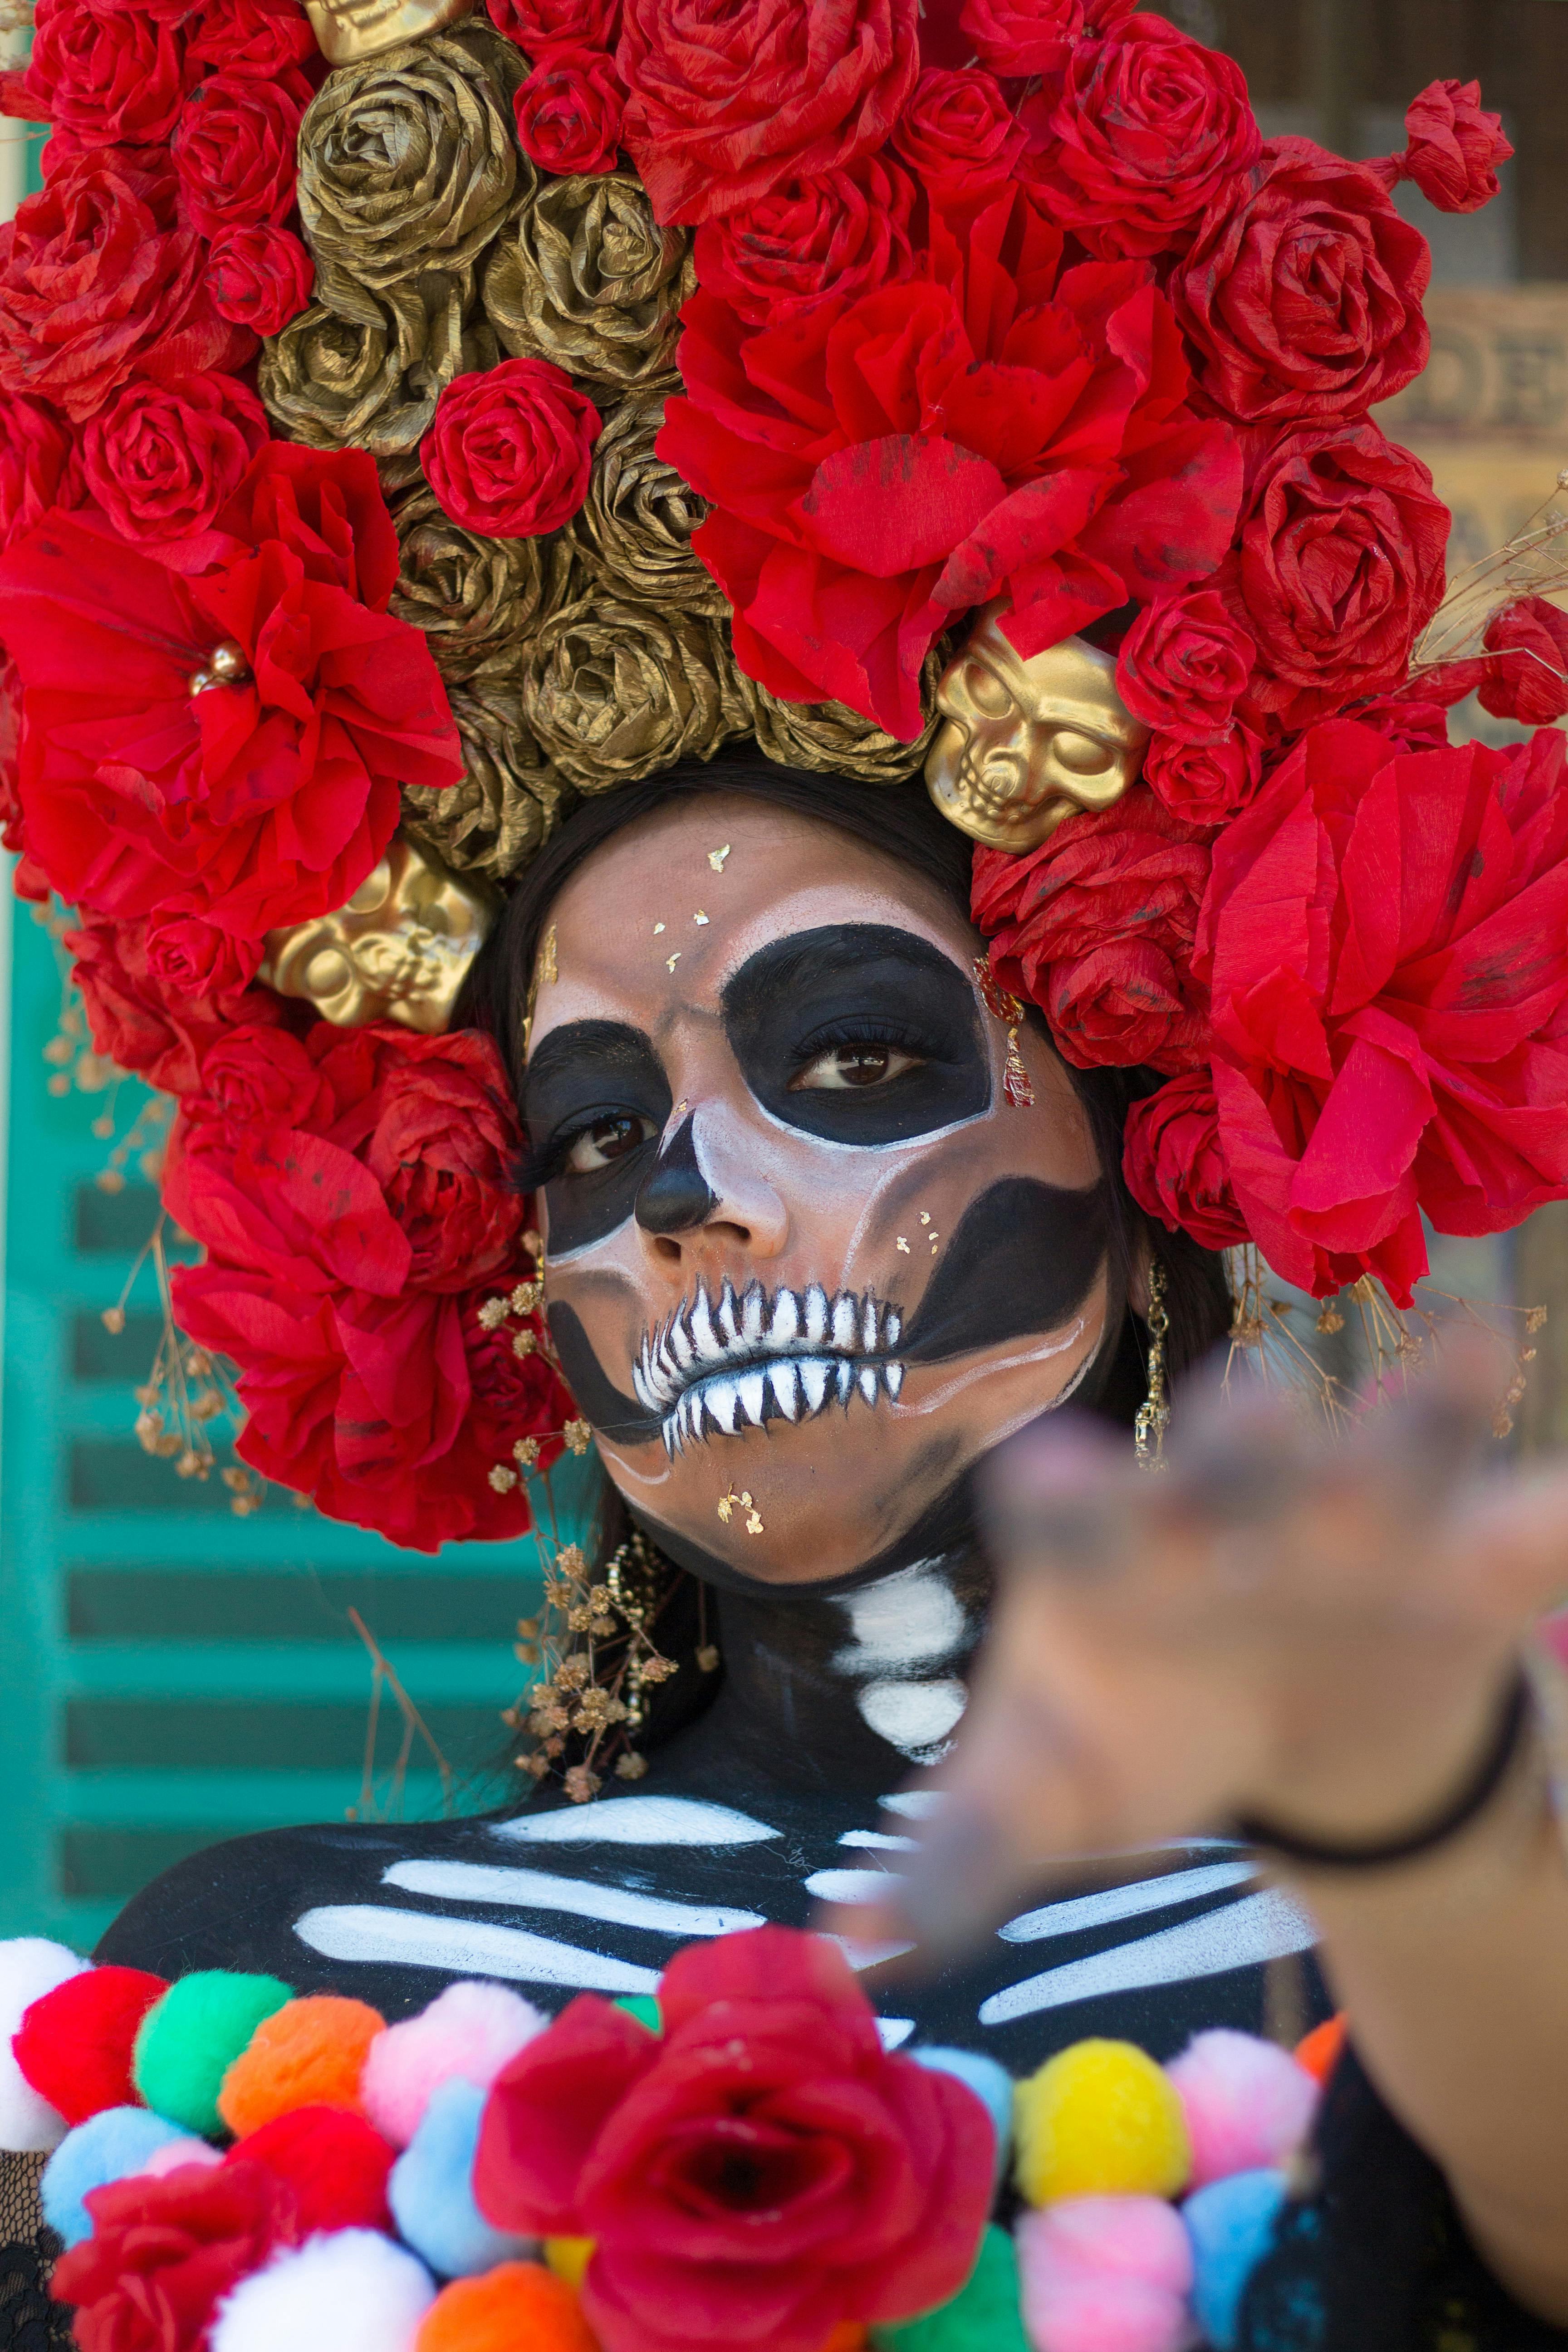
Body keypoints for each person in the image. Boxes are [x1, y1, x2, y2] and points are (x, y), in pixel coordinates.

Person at [72, 752, 1568, 2347]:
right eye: (591, 1133)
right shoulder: (255, 1992)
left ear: (1142, 1193)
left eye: (856, 1056)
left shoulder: (1446, 1941)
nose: (678, 1191)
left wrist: (1421, 1838)